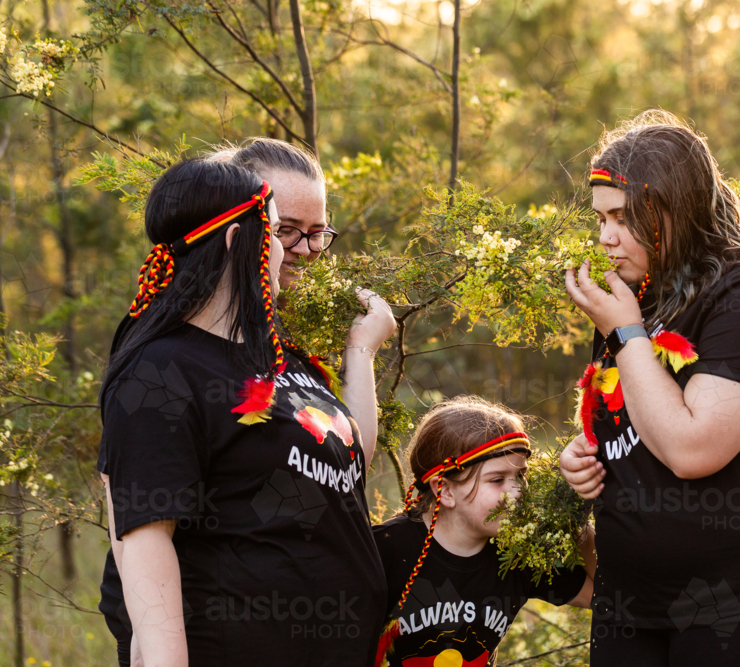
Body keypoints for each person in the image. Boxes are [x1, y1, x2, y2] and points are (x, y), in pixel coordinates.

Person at [97, 138, 395, 666]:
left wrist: (360, 352)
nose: (298, 249)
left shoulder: (282, 357)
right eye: (280, 228)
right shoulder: (163, 369)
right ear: (239, 239)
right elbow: (144, 535)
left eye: (315, 233)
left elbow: (340, 474)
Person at [560, 110, 740, 666]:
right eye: (600, 220)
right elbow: (632, 428)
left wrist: (624, 332)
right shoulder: (634, 304)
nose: (605, 238)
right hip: (632, 607)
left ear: (672, 210)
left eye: (622, 217)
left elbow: (692, 448)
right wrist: (583, 458)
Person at [373, 396, 595, 667]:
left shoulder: (517, 553)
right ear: (444, 490)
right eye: (497, 479)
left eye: (521, 476)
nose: (518, 492)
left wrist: (577, 530)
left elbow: (608, 595)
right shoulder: (385, 550)